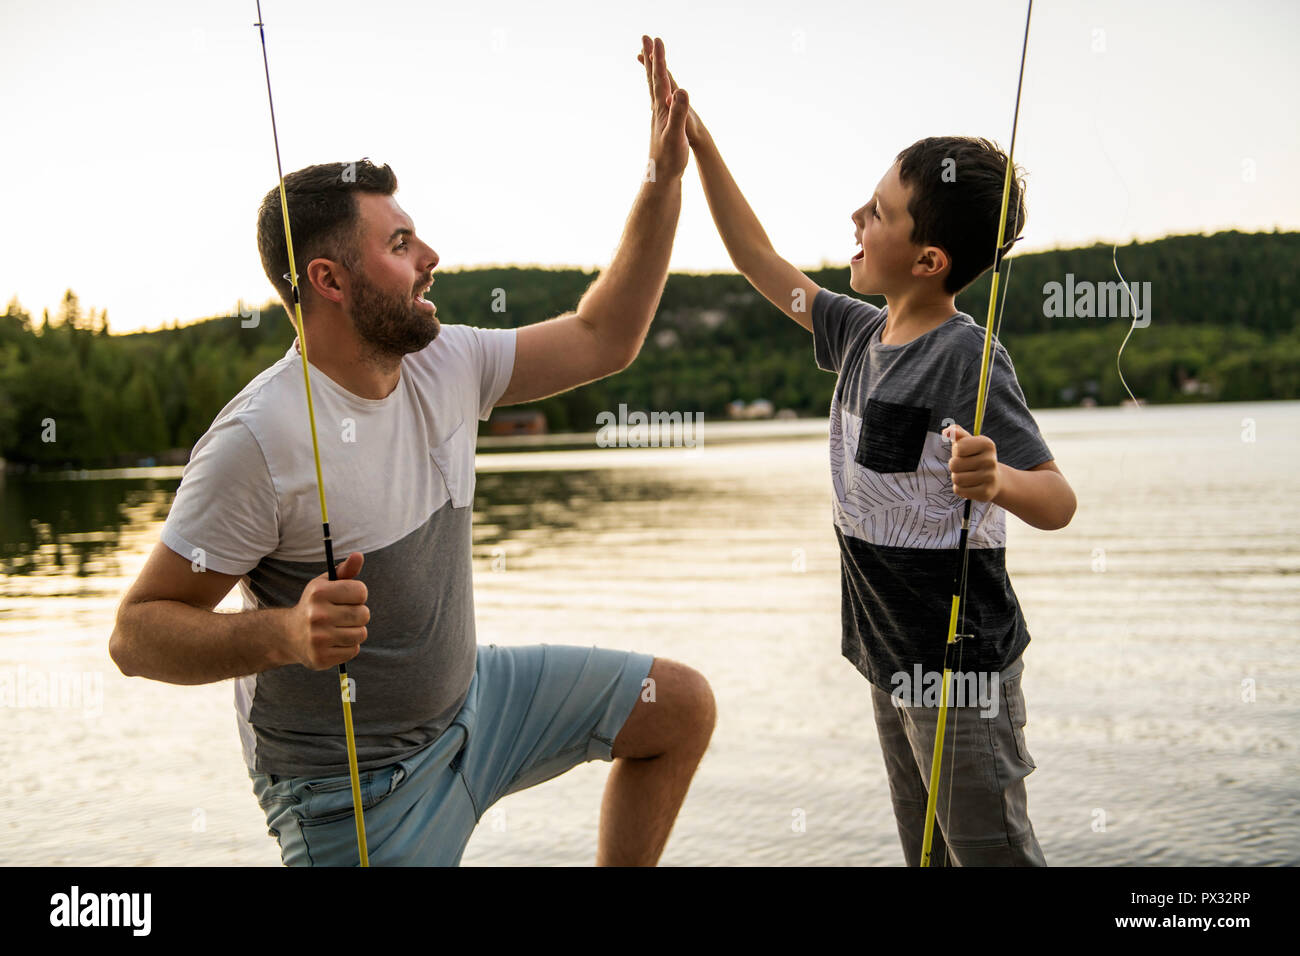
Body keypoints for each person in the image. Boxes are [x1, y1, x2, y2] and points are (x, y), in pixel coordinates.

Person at [109, 36, 714, 867]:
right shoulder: (259, 439)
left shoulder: (447, 360)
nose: (431, 260)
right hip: (354, 794)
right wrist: (285, 633)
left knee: (676, 707)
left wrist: (663, 177)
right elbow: (136, 637)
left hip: (478, 705)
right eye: (400, 246)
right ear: (328, 281)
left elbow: (604, 335)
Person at [646, 41, 1076, 865]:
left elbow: (1058, 501)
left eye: (877, 212)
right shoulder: (855, 331)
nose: (856, 218)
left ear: (929, 260)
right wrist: (697, 141)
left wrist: (1001, 479)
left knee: (994, 856)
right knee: (926, 855)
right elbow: (755, 259)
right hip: (888, 659)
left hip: (961, 675)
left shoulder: (966, 355)